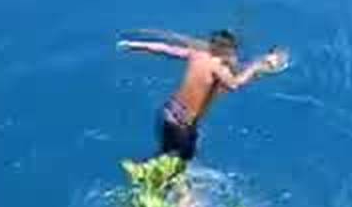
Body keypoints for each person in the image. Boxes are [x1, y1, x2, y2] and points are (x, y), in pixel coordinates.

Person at [117, 30, 284, 165]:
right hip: (183, 126)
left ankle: (147, 167)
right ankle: (184, 200)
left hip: (167, 113)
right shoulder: (219, 68)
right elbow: (234, 85)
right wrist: (254, 68)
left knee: (167, 150)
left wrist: (135, 45)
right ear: (227, 51)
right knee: (183, 161)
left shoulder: (196, 54)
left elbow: (166, 49)